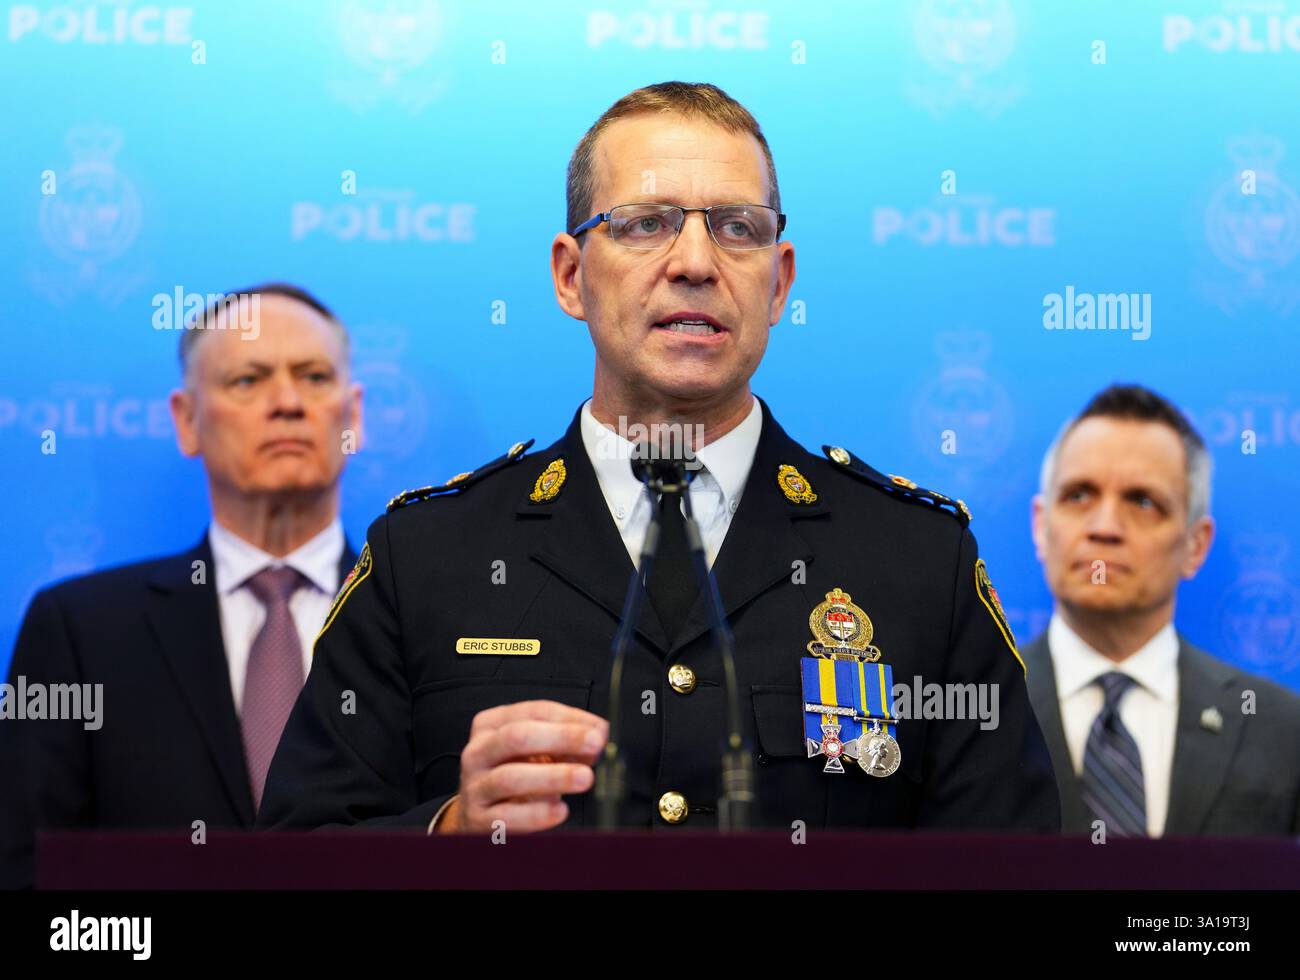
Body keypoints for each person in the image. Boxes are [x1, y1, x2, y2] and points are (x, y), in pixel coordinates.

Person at [259, 82, 1059, 835]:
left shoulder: (918, 563)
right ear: (571, 276)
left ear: (778, 285)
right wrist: (450, 830)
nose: (696, 262)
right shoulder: (428, 557)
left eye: (737, 227)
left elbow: (1013, 869)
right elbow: (297, 857)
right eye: (646, 223)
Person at [0, 284, 363, 887]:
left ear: (353, 415)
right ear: (187, 420)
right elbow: (24, 870)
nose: (288, 402)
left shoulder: (422, 612)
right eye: (248, 380)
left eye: (315, 377)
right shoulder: (81, 632)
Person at [1024, 383, 1300, 836]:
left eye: (1143, 502)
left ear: (1195, 545)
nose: (1105, 527)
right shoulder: (974, 715)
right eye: (1078, 495)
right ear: (1041, 525)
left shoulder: (1282, 732)